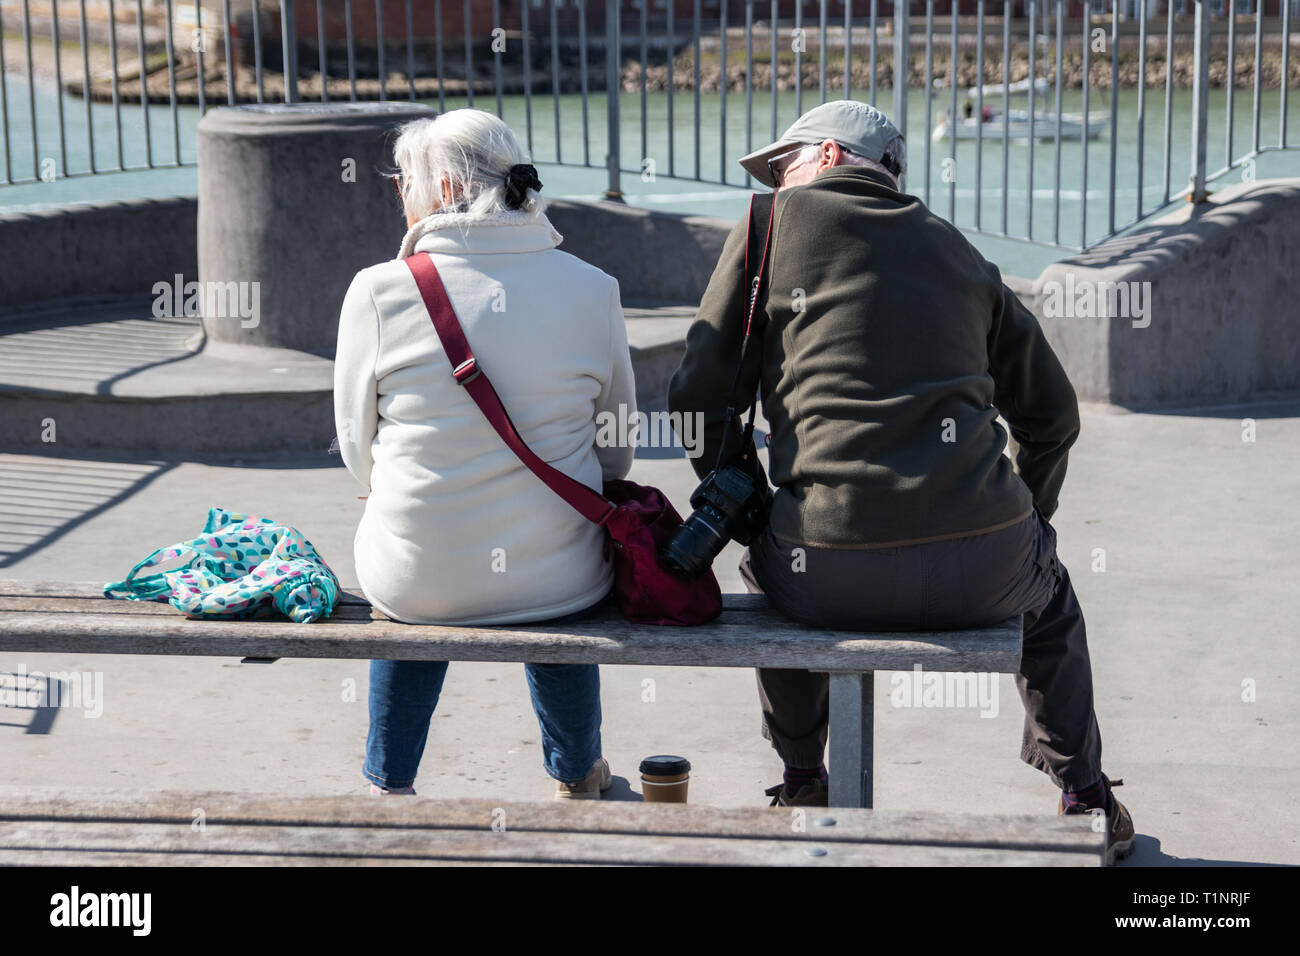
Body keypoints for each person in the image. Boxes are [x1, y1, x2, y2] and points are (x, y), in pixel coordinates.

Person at [668, 99, 1135, 864]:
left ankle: (803, 783)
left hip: (826, 574)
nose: (774, 182)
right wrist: (1029, 517)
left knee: (767, 562)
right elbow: (1054, 417)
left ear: (823, 156)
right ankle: (1085, 795)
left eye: (779, 166)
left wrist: (747, 501)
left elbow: (695, 397)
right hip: (986, 564)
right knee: (1046, 600)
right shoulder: (956, 250)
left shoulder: (766, 228)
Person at [333, 109, 636, 800]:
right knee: (556, 567)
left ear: (441, 190)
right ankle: (577, 773)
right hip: (560, 580)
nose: (399, 193)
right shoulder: (593, 287)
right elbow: (615, 452)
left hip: (419, 578)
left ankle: (390, 784)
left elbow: (355, 446)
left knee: (414, 566)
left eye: (404, 180)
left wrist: (399, 483)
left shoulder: (379, 290)